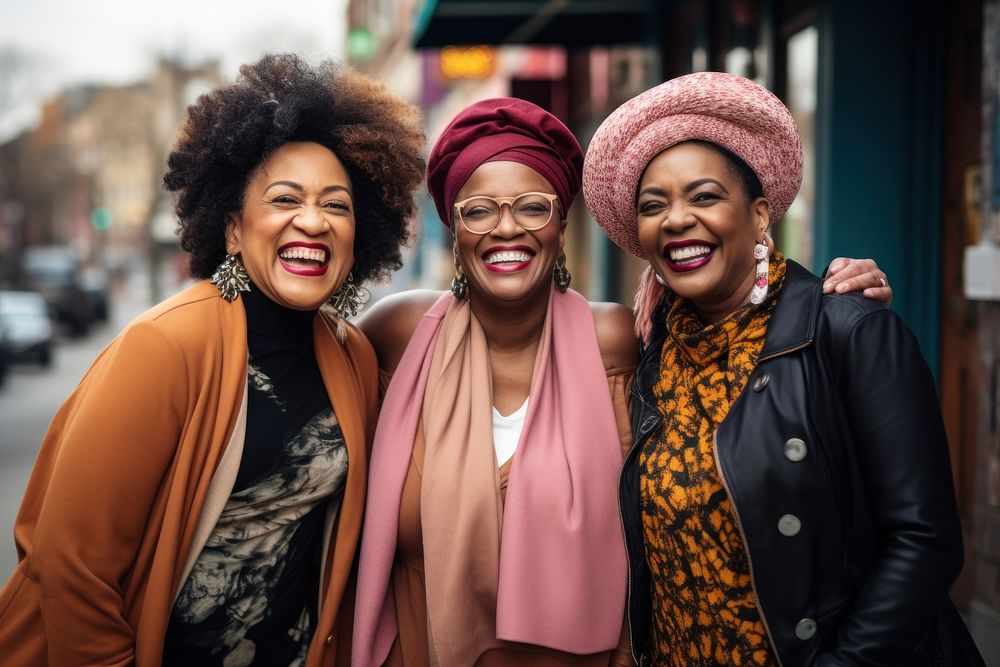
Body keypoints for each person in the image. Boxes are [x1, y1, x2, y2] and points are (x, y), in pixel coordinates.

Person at [350, 98, 890, 667]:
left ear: (562, 223)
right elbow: (302, 377)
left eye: (533, 208)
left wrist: (831, 307)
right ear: (454, 229)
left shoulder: (616, 338)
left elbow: (733, 347)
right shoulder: (401, 334)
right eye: (478, 211)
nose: (505, 228)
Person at [0, 53, 425, 667]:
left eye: (337, 205)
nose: (313, 220)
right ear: (232, 227)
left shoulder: (352, 355)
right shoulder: (165, 347)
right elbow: (71, 567)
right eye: (285, 198)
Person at [582, 71, 983, 666]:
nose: (676, 219)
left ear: (761, 212)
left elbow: (924, 542)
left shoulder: (849, 331)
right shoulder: (652, 352)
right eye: (653, 205)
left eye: (705, 196)